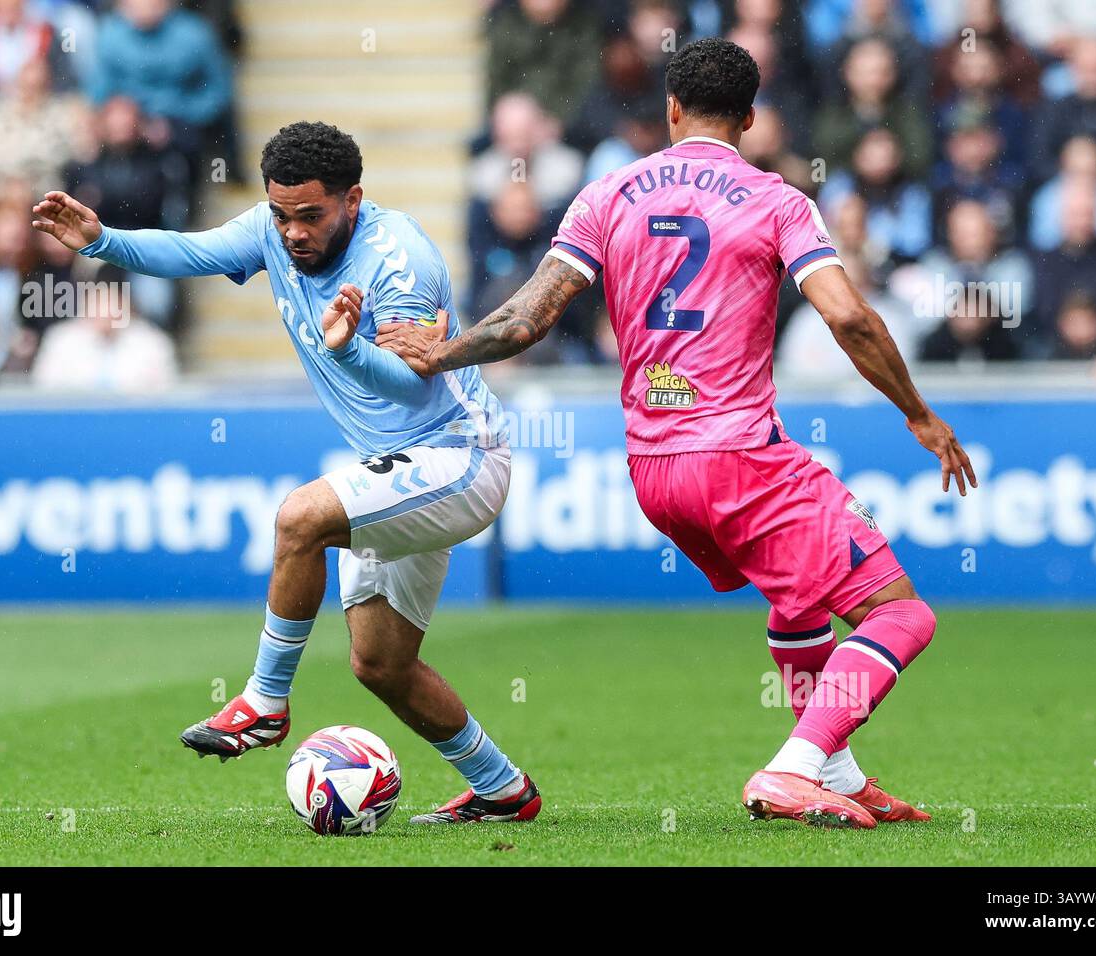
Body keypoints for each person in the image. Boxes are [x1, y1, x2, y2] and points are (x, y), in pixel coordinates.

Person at [378, 38, 977, 830]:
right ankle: (794, 767)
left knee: (797, 604)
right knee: (902, 615)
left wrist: (443, 352)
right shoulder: (777, 200)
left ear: (669, 109)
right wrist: (918, 412)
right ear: (752, 118)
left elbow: (527, 319)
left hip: (656, 472)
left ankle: (838, 769)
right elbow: (846, 315)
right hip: (740, 457)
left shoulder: (607, 195)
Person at [32, 121, 540, 826]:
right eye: (280, 214)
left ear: (352, 200)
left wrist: (347, 351)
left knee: (300, 518)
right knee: (381, 665)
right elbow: (192, 252)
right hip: (397, 468)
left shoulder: (400, 259)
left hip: (461, 457)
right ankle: (503, 789)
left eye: (311, 215)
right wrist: (101, 241)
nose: (293, 232)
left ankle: (265, 704)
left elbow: (411, 385)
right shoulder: (274, 231)